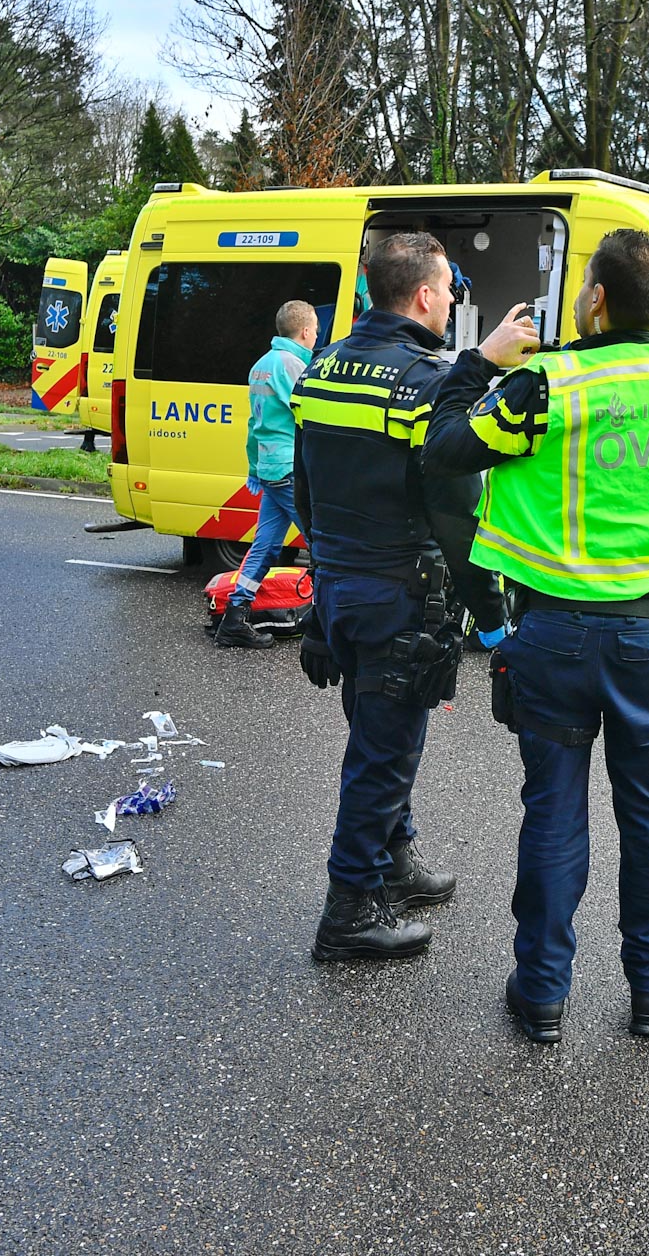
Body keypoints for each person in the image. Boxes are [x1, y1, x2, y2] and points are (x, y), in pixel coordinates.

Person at [424, 228, 649, 1043]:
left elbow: (445, 447)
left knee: (554, 817)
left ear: (595, 299)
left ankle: (544, 995)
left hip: (553, 634)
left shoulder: (549, 384)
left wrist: (482, 359)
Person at [290, 231, 525, 962]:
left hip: (340, 585)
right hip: (399, 592)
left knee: (375, 735)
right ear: (424, 295)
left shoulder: (322, 366)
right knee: (383, 754)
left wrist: (316, 598)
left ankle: (395, 860)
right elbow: (457, 518)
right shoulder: (423, 381)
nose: (454, 301)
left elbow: (304, 490)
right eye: (450, 290)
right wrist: (493, 623)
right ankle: (350, 911)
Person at [216, 300, 318, 649]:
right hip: (290, 469)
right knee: (322, 541)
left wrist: (255, 467)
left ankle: (234, 616)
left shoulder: (261, 365)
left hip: (271, 468)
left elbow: (254, 424)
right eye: (316, 329)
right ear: (305, 331)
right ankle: (327, 623)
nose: (316, 335)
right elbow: (308, 415)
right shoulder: (291, 365)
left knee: (266, 546)